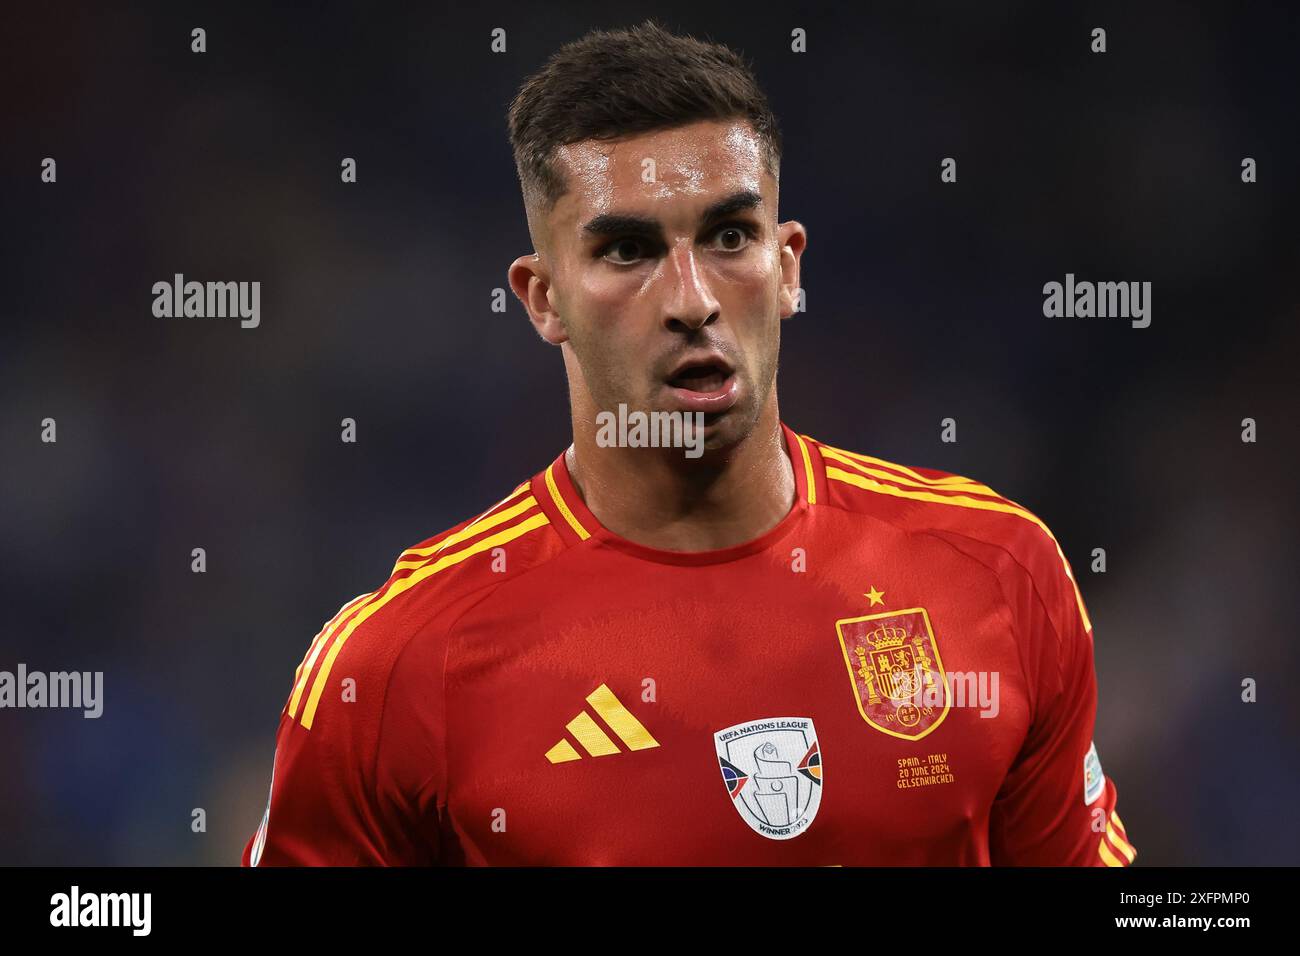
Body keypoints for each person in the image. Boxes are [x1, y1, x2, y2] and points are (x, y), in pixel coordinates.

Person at [243, 20, 1135, 866]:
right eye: (628, 250)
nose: (691, 298)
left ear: (787, 268)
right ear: (543, 297)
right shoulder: (398, 667)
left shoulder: (997, 572)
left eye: (729, 237)